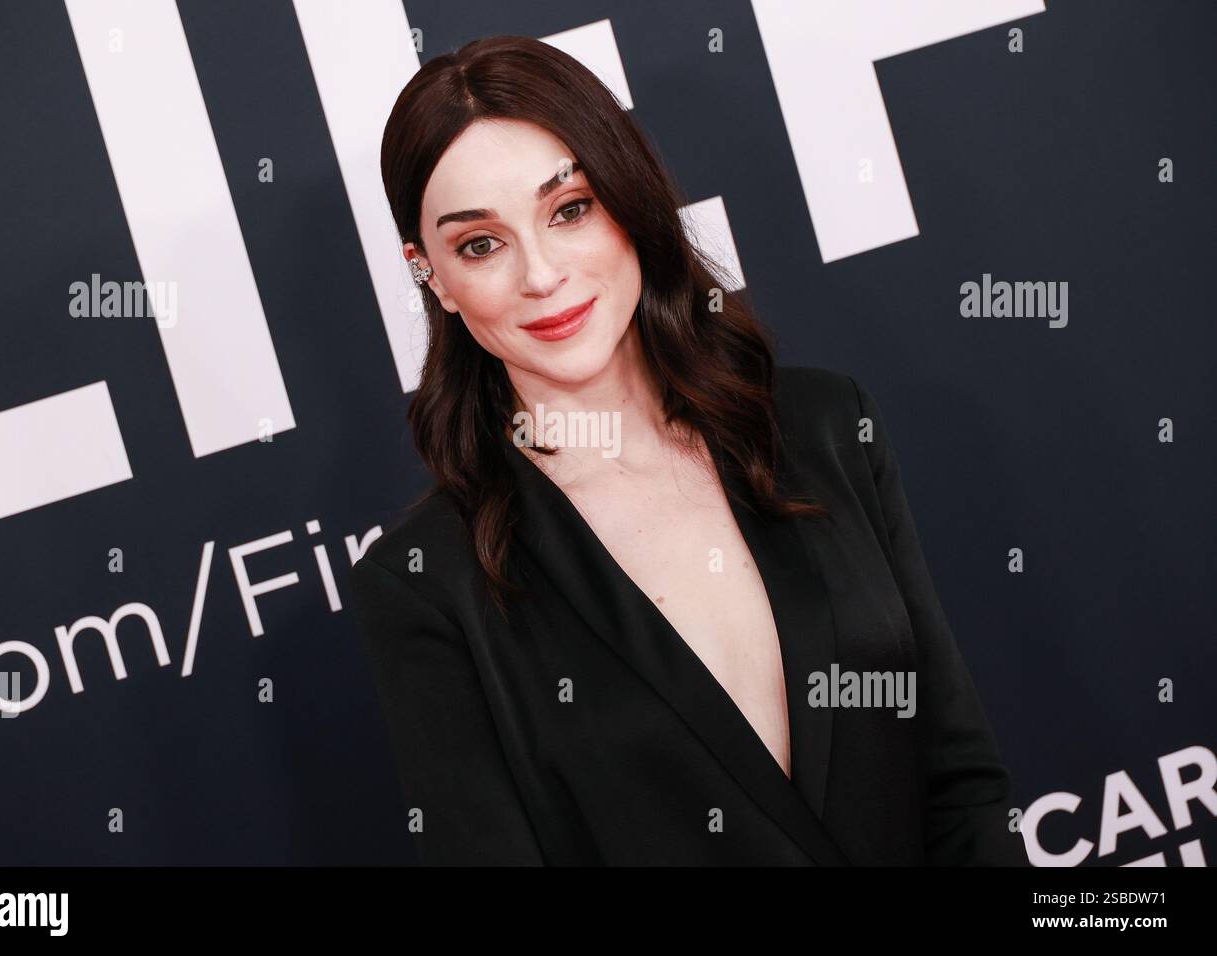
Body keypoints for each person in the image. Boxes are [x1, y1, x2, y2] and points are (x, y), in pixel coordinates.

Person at [350, 34, 1027, 866]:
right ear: (434, 278)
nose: (542, 274)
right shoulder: (427, 584)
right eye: (480, 244)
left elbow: (960, 784)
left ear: (629, 202)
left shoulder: (820, 426)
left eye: (570, 210)